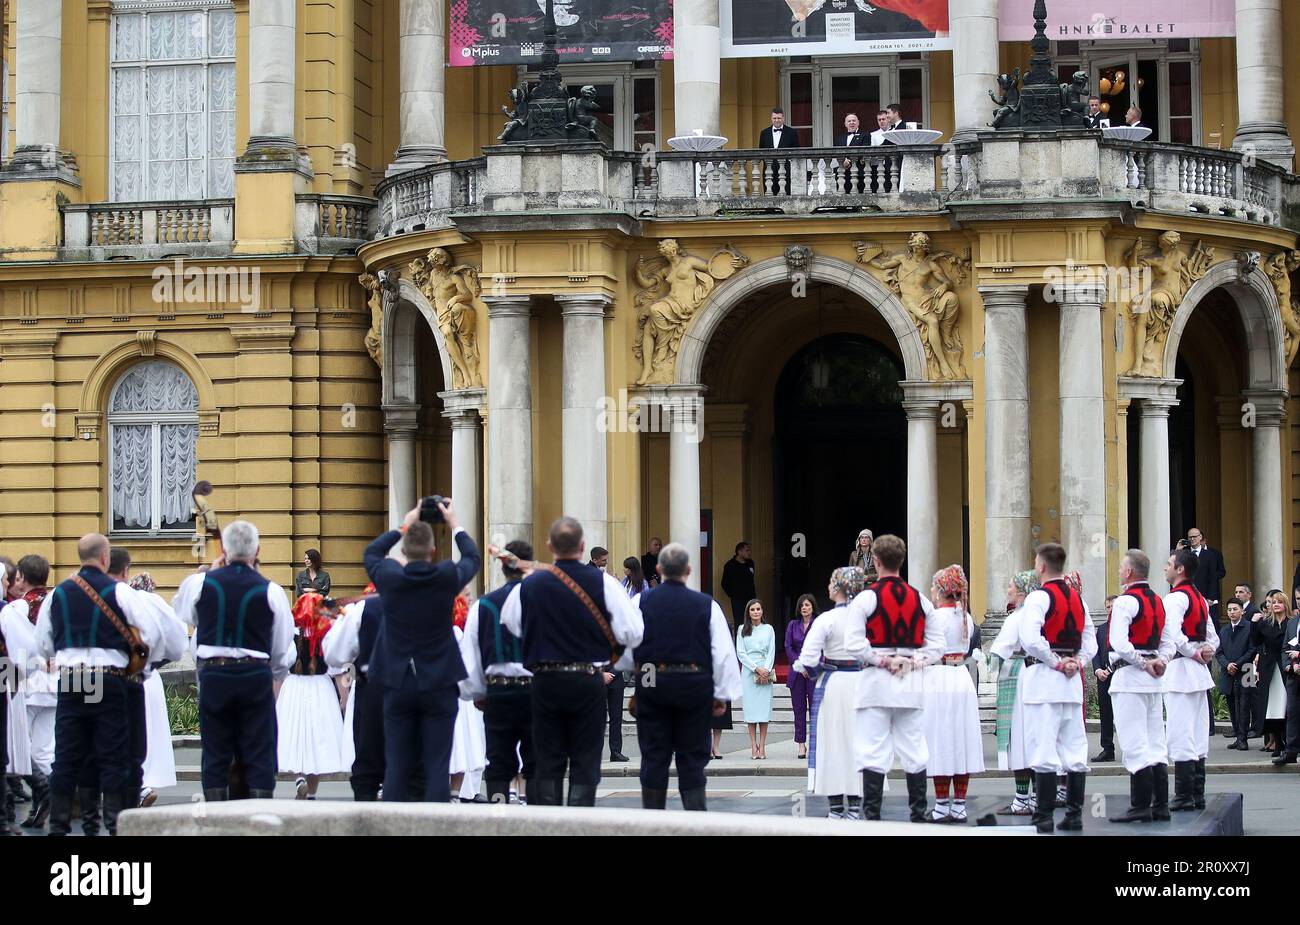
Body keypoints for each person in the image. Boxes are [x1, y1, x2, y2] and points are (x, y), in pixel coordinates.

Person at [500, 516, 643, 806]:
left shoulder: (530, 585)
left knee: (546, 759)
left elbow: (512, 623)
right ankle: (579, 818)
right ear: (582, 547)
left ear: (550, 546)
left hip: (545, 679)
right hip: (586, 677)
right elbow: (634, 631)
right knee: (584, 760)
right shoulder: (605, 583)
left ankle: (549, 823)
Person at [34, 534, 164, 835]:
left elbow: (41, 644)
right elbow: (150, 635)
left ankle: (59, 826)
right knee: (113, 755)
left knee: (66, 756)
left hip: (72, 679)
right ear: (105, 559)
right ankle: (115, 826)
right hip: (109, 679)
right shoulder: (121, 592)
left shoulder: (58, 594)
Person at [365, 498, 480, 802]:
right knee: (437, 766)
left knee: (398, 766)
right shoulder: (444, 576)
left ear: (403, 550)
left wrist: (405, 523)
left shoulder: (389, 576)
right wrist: (455, 524)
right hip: (438, 680)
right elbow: (471, 557)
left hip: (398, 679)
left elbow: (372, 552)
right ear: (432, 552)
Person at [173, 521, 296, 803]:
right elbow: (281, 645)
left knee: (215, 747)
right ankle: (258, 809)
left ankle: (216, 810)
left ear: (224, 550)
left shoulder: (201, 583)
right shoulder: (271, 590)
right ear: (258, 551)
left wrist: (212, 574)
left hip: (215, 673)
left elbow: (184, 612)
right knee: (259, 745)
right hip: (254, 672)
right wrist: (275, 671)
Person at [626, 542, 741, 810]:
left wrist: (639, 672)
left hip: (651, 675)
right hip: (694, 679)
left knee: (654, 754)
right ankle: (694, 819)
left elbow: (626, 643)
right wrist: (722, 694)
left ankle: (653, 820)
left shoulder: (639, 601)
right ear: (688, 570)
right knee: (692, 757)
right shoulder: (706, 605)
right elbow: (723, 654)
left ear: (658, 569)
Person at [848, 534, 943, 823]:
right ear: (902, 561)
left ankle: (873, 817)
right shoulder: (921, 600)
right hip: (910, 682)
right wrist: (914, 661)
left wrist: (882, 659)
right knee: (914, 749)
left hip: (876, 681)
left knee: (872, 750)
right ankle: (917, 814)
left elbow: (853, 643)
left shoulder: (867, 598)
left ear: (875, 561)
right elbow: (937, 645)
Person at [1018, 542, 1097, 834]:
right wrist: (1077, 661)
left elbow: (1030, 639)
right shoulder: (1079, 599)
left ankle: (1044, 816)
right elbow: (1091, 640)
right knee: (1075, 748)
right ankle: (1074, 814)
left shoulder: (1038, 598)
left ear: (1041, 566)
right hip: (1070, 683)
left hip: (1044, 681)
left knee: (1043, 748)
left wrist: (1055, 661)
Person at [459, 540, 536, 804]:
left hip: (499, 691)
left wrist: (478, 692)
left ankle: (500, 821)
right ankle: (541, 821)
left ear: (504, 569)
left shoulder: (483, 606)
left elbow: (472, 655)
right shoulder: (542, 601)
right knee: (537, 760)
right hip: (536, 691)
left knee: (499, 762)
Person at [1106, 549, 1175, 824]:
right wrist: (1160, 660)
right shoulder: (1158, 600)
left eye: (1123, 567)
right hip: (1153, 679)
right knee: (1155, 742)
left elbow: (1119, 643)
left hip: (1131, 677)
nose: (1121, 571)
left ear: (1129, 572)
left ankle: (1140, 805)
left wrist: (1143, 662)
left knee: (1134, 742)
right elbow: (1169, 640)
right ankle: (1160, 805)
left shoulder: (1125, 602)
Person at [794, 567, 868, 820]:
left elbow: (807, 658)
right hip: (860, 682)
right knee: (858, 743)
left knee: (833, 744)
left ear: (836, 588)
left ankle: (836, 808)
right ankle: (856, 807)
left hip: (834, 683)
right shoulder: (865, 619)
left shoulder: (826, 619)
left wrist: (818, 672)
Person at [922, 565, 984, 824]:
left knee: (941, 741)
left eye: (935, 587)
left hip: (940, 679)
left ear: (942, 590)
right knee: (961, 741)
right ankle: (959, 804)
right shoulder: (965, 616)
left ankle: (941, 805)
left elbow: (928, 650)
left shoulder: (936, 618)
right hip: (961, 678)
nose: (932, 591)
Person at [1162, 549, 1218, 809]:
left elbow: (1172, 634)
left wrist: (1195, 651)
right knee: (1197, 731)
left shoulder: (1174, 600)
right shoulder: (1200, 598)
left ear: (1180, 569)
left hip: (1181, 671)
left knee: (1180, 731)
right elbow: (1212, 636)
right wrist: (1206, 650)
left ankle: (1184, 794)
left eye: (1169, 564)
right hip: (1198, 671)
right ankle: (1197, 793)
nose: (1166, 568)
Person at [278, 591, 349, 800]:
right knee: (318, 739)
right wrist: (344, 698)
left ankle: (299, 779)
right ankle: (312, 793)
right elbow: (338, 668)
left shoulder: (290, 631)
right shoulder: (328, 631)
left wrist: (273, 698)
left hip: (294, 687)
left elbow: (281, 667)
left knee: (295, 735)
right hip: (321, 688)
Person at [126, 572, 188, 808]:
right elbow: (179, 637)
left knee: (132, 732)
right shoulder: (157, 607)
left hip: (129, 675)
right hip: (151, 676)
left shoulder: (125, 607)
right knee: (150, 732)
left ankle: (138, 786)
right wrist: (156, 662)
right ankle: (144, 783)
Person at [1, 555, 51, 829]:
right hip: (56, 682)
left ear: (21, 577)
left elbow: (10, 646)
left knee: (17, 743)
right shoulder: (56, 602)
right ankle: (50, 795)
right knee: (45, 750)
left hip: (23, 682)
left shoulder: (12, 610)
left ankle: (42, 790)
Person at [989, 570, 1039, 814]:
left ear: (1020, 591)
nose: (1007, 589)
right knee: (1034, 738)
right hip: (1034, 675)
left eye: (1010, 585)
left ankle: (1022, 800)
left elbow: (1000, 650)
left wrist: (988, 660)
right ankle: (1038, 797)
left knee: (1018, 739)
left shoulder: (1018, 617)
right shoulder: (1038, 613)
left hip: (1017, 676)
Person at [0, 565, 37, 836]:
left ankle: (5, 814)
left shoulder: (8, 609)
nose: (6, 583)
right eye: (4, 579)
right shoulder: (6, 611)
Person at [736, 599, 775, 759]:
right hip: (749, 671)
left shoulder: (769, 629)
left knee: (764, 712)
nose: (756, 612)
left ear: (762, 611)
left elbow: (772, 650)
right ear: (748, 612)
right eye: (753, 609)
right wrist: (755, 668)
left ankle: (763, 746)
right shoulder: (742, 629)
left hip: (765, 669)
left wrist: (765, 669)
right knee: (751, 711)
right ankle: (753, 746)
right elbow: (740, 652)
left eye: (758, 609)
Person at [1252, 589, 1289, 755]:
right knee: (1272, 707)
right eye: (1273, 603)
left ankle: (1289, 742)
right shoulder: (1265, 623)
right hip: (1270, 668)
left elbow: (1284, 642)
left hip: (1286, 668)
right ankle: (1277, 742)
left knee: (1287, 706)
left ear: (1285, 604)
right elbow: (1255, 641)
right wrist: (1254, 624)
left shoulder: (1291, 623)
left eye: (1279, 602)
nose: (1275, 605)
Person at [1218, 599, 1258, 750]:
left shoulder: (1249, 627)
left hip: (1246, 669)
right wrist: (1227, 664)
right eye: (1229, 610)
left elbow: (1252, 649)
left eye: (1235, 609)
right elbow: (1219, 651)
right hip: (1227, 671)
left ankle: (1243, 738)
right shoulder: (1224, 630)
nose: (1232, 612)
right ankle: (1237, 735)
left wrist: (1237, 664)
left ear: (1242, 611)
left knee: (1244, 705)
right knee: (1231, 703)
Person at [785, 593, 817, 760]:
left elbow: (823, 647)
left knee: (815, 710)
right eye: (802, 605)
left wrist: (810, 666)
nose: (805, 608)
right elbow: (788, 647)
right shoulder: (792, 624)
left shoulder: (818, 624)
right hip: (797, 673)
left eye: (808, 605)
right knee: (798, 710)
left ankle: (815, 743)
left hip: (813, 673)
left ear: (813, 607)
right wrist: (800, 665)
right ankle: (801, 745)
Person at [1092, 595, 1118, 762]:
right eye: (1108, 607)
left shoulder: (1125, 627)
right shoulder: (1101, 629)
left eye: (1113, 606)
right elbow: (1095, 651)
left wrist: (1111, 669)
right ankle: (1107, 748)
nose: (1110, 610)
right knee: (1106, 714)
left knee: (1123, 713)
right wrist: (1097, 670)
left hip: (1118, 674)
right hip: (1103, 677)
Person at [1275, 601, 1300, 765]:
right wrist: (1289, 665)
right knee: (1292, 714)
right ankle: (1291, 751)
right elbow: (1285, 648)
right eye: (1298, 598)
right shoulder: (1292, 622)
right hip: (1293, 675)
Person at [758, 108, 800, 194]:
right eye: (775, 118)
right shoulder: (764, 133)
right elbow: (761, 152)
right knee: (769, 198)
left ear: (783, 118)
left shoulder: (792, 132)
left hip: (787, 172)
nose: (777, 120)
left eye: (779, 118)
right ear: (771, 118)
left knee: (787, 197)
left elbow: (797, 152)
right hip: (769, 171)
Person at [720, 541, 756, 630]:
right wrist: (733, 594)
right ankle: (739, 641)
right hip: (738, 600)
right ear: (739, 552)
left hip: (751, 598)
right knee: (739, 622)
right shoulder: (730, 565)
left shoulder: (750, 563)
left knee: (753, 620)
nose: (749, 553)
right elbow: (724, 583)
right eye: (747, 550)